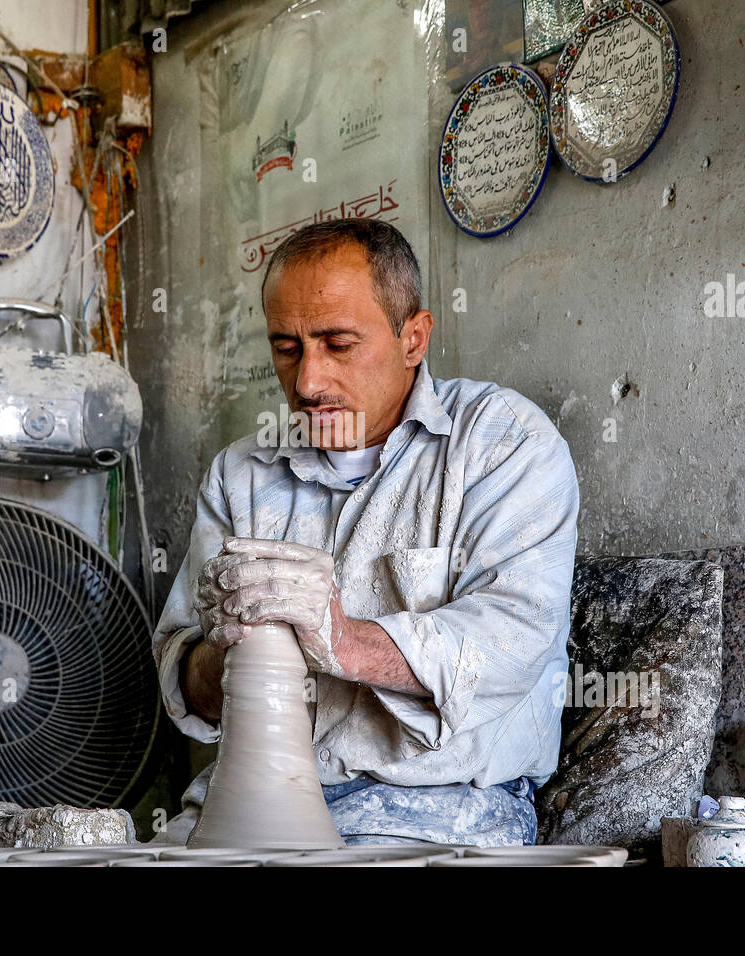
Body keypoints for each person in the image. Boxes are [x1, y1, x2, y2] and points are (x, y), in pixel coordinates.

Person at [151, 218, 579, 847]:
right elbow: (186, 682)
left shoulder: (502, 441)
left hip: (439, 811)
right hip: (241, 803)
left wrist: (340, 639)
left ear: (414, 337)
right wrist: (230, 647)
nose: (307, 383)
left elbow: (512, 640)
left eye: (337, 344)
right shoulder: (241, 474)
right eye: (287, 347)